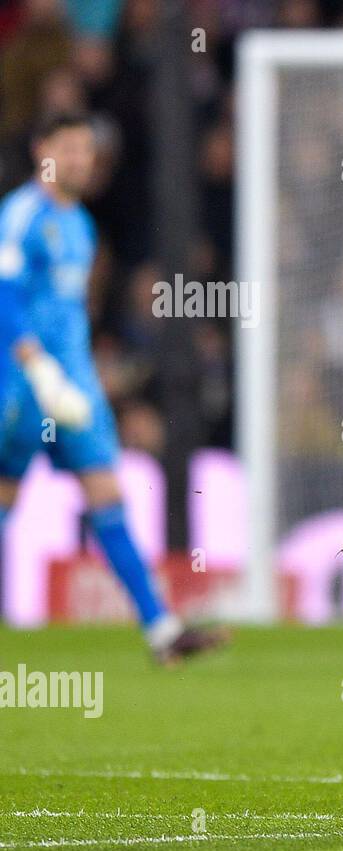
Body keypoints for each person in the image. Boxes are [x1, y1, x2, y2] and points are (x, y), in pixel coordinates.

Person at [0, 112, 227, 666]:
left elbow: (69, 312)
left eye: (87, 150)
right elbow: (5, 295)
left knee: (107, 497)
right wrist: (37, 366)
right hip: (23, 385)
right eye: (69, 148)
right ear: (41, 149)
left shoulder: (80, 223)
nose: (80, 160)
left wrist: (78, 373)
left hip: (74, 387)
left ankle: (161, 629)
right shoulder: (21, 214)